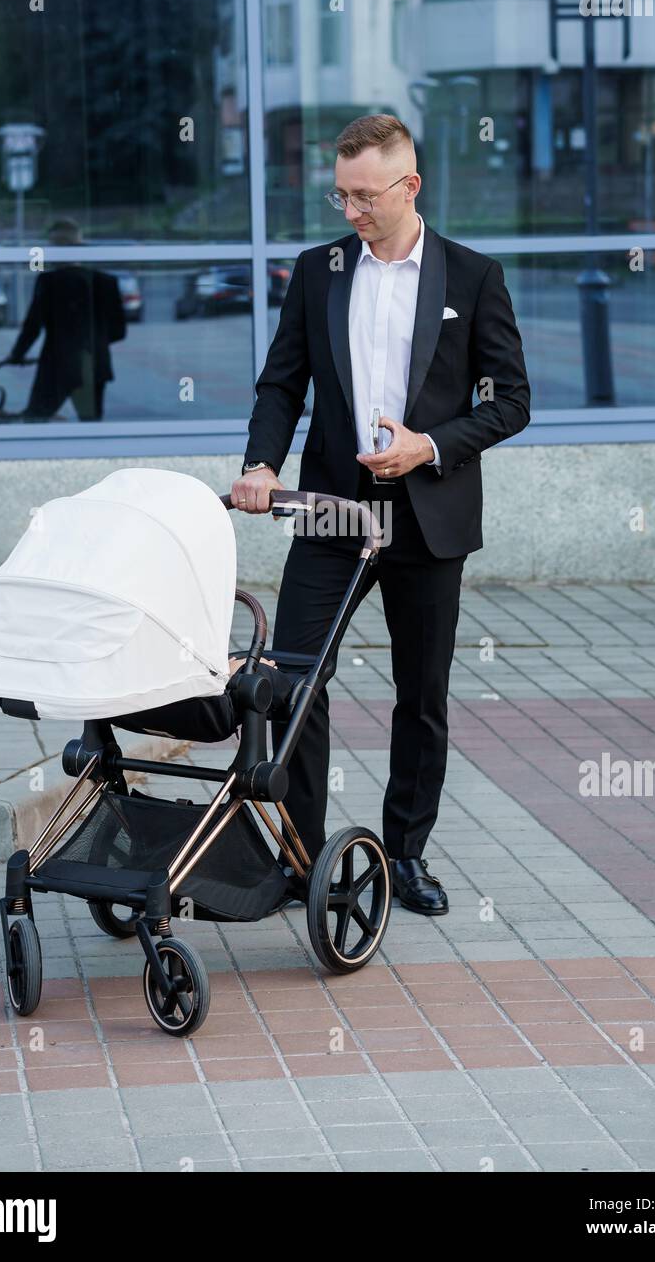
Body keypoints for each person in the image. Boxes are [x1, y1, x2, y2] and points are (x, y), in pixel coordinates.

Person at [231, 114, 531, 915]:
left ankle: (403, 857)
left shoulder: (472, 277)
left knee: (420, 694)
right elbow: (281, 384)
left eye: (366, 195)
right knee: (293, 679)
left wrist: (430, 444)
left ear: (411, 186)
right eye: (342, 194)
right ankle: (303, 859)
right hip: (333, 508)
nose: (352, 210)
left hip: (427, 514)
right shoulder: (319, 269)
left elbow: (510, 403)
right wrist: (261, 464)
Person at [9, 218, 126, 420]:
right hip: (94, 364)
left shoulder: (49, 282)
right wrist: (93, 343)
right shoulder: (106, 282)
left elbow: (32, 326)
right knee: (91, 425)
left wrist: (17, 355)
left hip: (57, 364)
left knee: (35, 419)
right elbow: (118, 331)